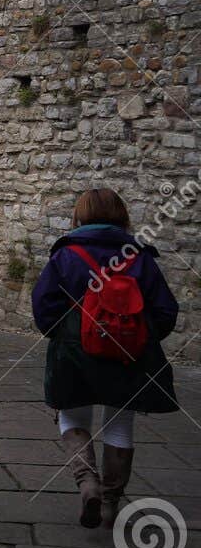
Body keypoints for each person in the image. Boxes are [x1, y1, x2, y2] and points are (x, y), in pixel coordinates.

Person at [30, 188, 179, 529]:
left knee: (72, 416)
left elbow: (44, 306)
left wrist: (63, 334)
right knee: (120, 422)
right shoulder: (140, 257)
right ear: (121, 216)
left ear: (79, 216)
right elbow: (165, 311)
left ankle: (88, 484)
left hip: (74, 351)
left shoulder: (66, 256)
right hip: (128, 352)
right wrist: (141, 336)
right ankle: (111, 501)